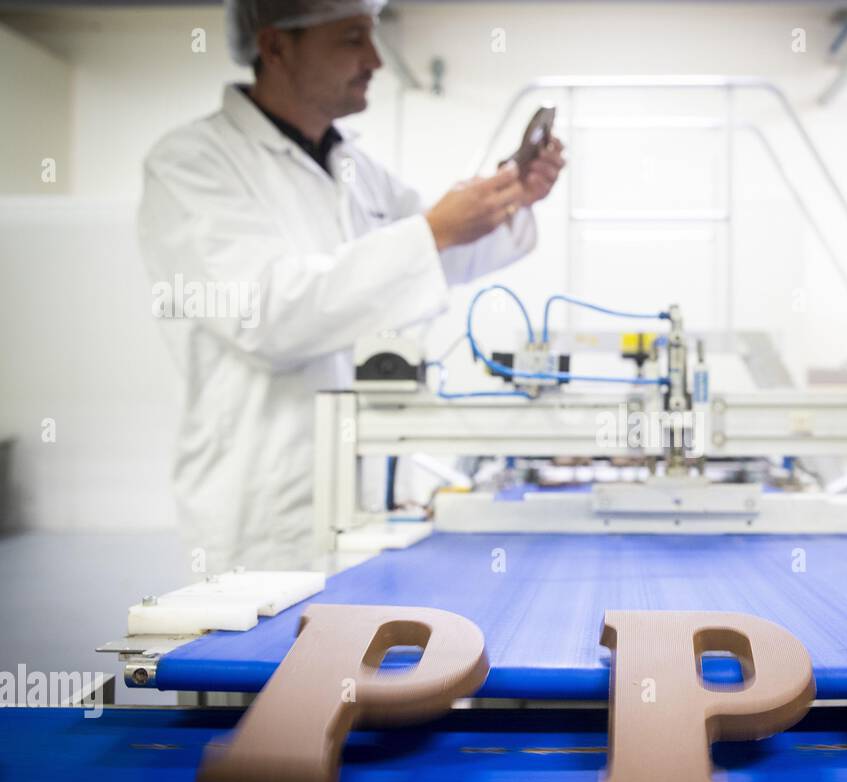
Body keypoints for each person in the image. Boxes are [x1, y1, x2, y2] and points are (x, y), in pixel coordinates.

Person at [137, 0, 564, 573]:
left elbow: (446, 257)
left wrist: (513, 198)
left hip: (363, 497)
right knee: (264, 661)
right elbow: (264, 315)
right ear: (275, 47)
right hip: (264, 510)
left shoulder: (356, 169)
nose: (375, 60)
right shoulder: (193, 163)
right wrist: (430, 231)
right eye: (351, 39)